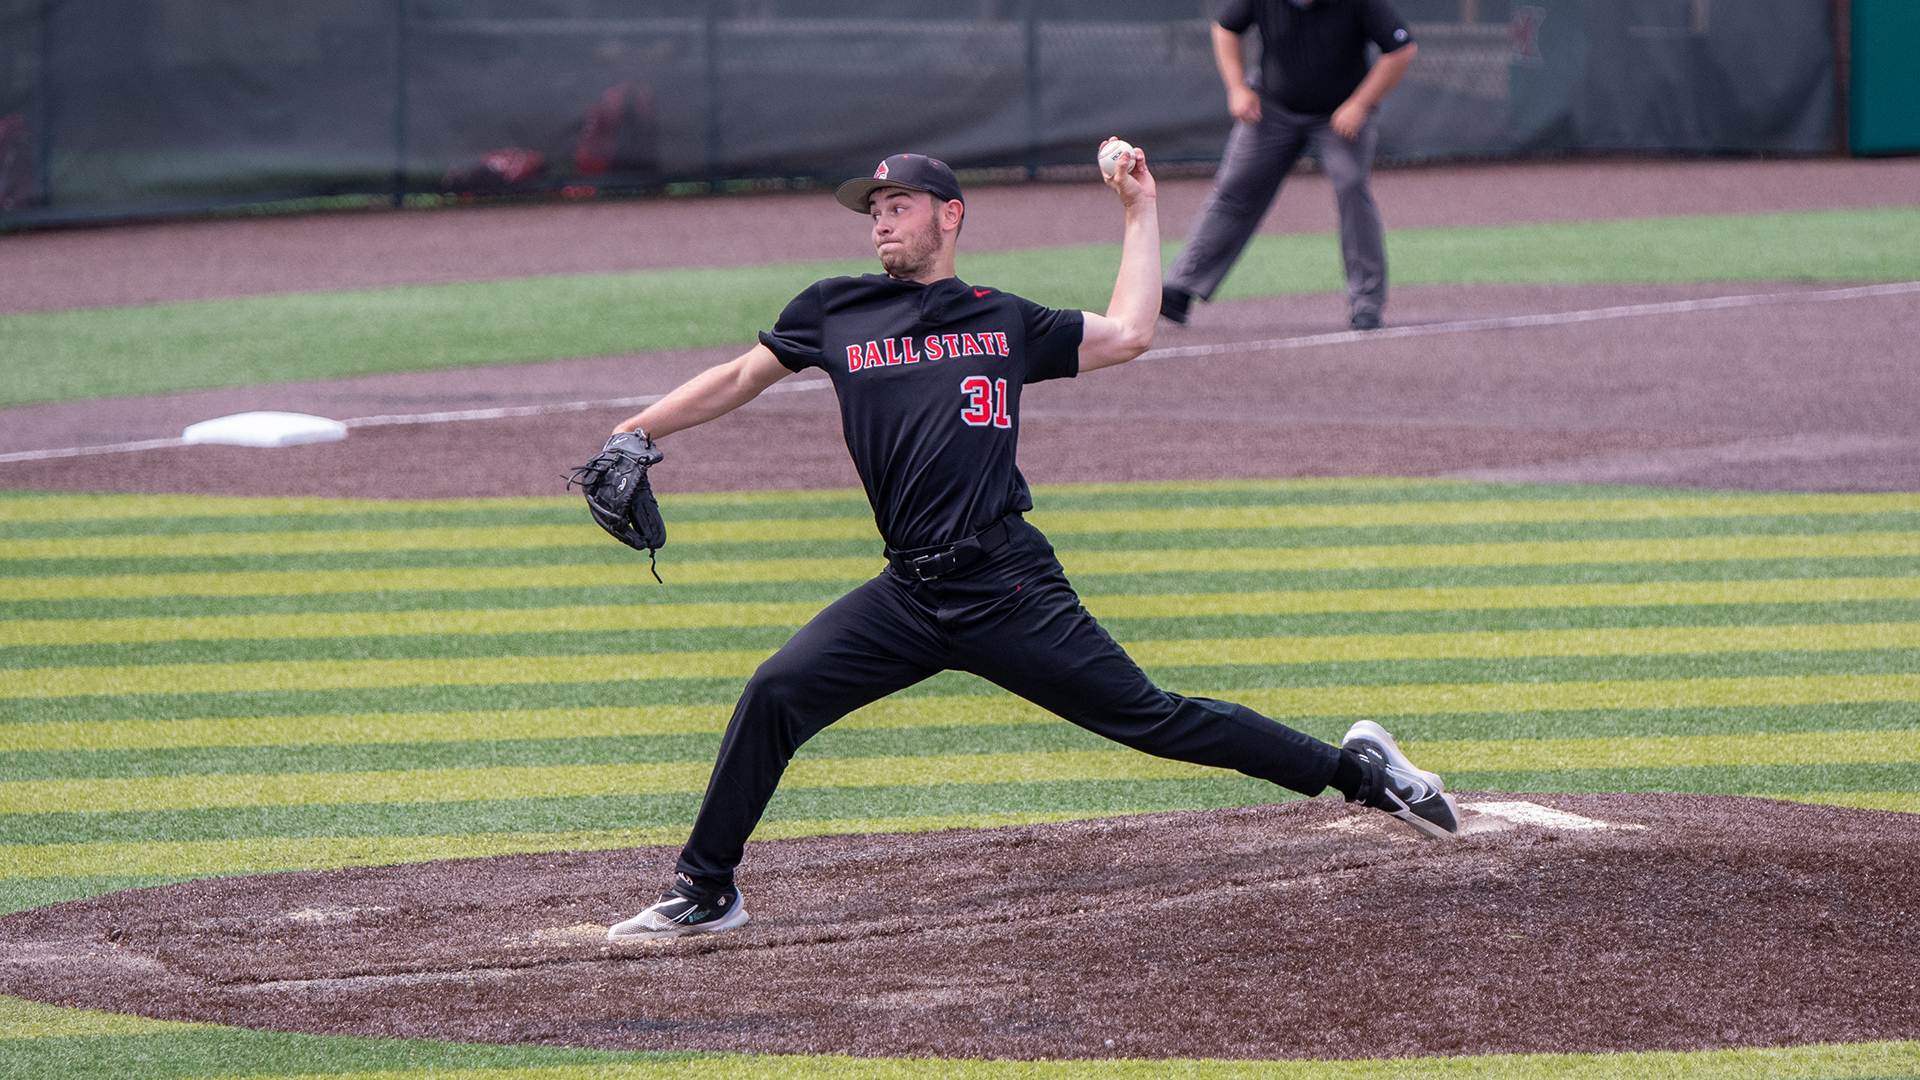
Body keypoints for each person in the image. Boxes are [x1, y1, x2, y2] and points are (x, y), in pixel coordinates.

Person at [603, 149, 1457, 943]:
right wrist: (636, 429)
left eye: (900, 205)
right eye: (874, 209)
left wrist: (1140, 208)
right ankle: (707, 888)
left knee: (1153, 719)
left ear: (951, 216)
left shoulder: (1004, 319)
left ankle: (1362, 773)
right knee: (776, 691)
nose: (881, 221)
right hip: (907, 595)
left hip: (1008, 587)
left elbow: (1130, 332)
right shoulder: (834, 308)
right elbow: (740, 376)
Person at [1161, 0, 1419, 331]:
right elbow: (1225, 29)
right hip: (1272, 108)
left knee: (1352, 187)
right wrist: (1237, 88)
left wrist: (1359, 104)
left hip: (1339, 114)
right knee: (1234, 188)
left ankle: (1366, 304)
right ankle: (1183, 286)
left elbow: (1400, 50)